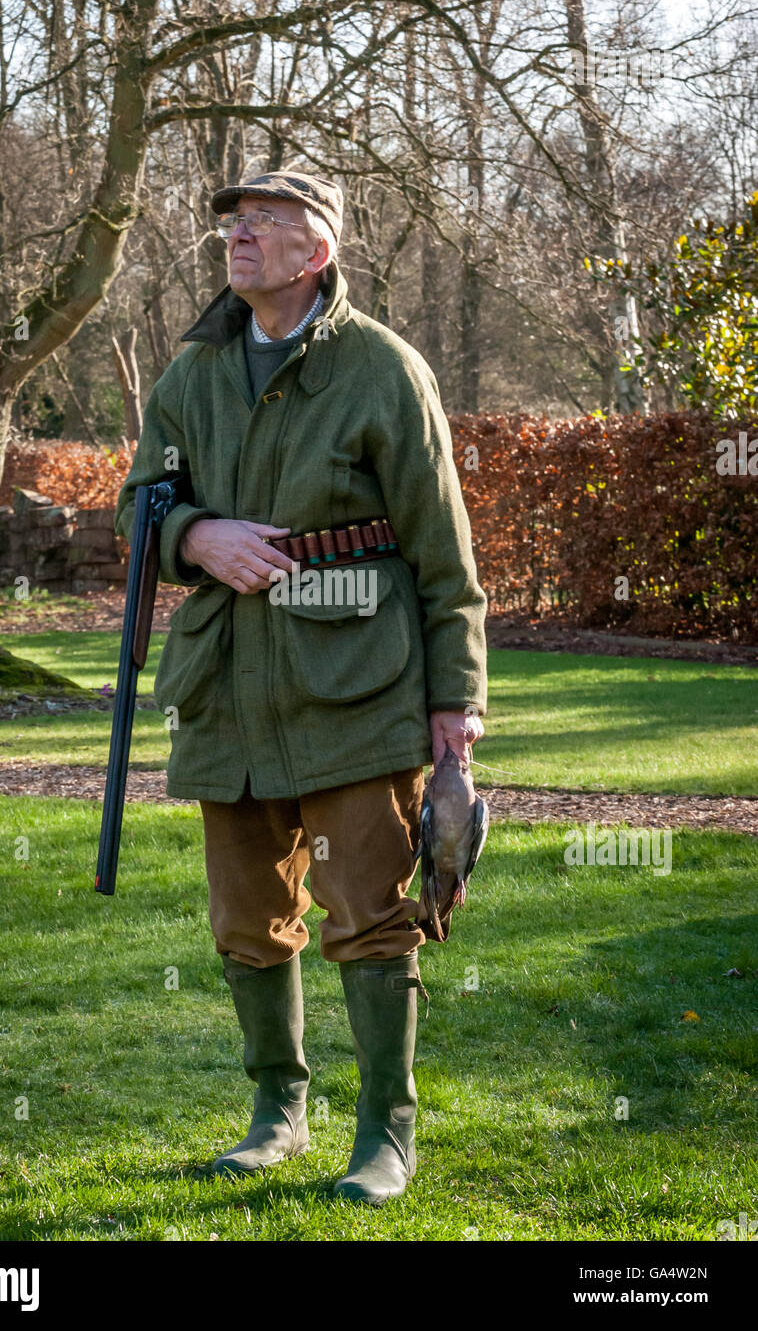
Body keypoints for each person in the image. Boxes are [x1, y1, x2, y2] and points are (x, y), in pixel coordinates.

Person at [114, 169, 487, 1205]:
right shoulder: (195, 369)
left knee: (368, 913)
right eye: (235, 224)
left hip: (357, 688)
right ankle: (277, 1112)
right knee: (245, 919)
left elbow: (444, 557)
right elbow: (139, 504)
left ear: (315, 252)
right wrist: (198, 532)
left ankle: (386, 1134)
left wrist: (456, 713)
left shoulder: (383, 370)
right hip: (228, 686)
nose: (239, 238)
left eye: (265, 225)